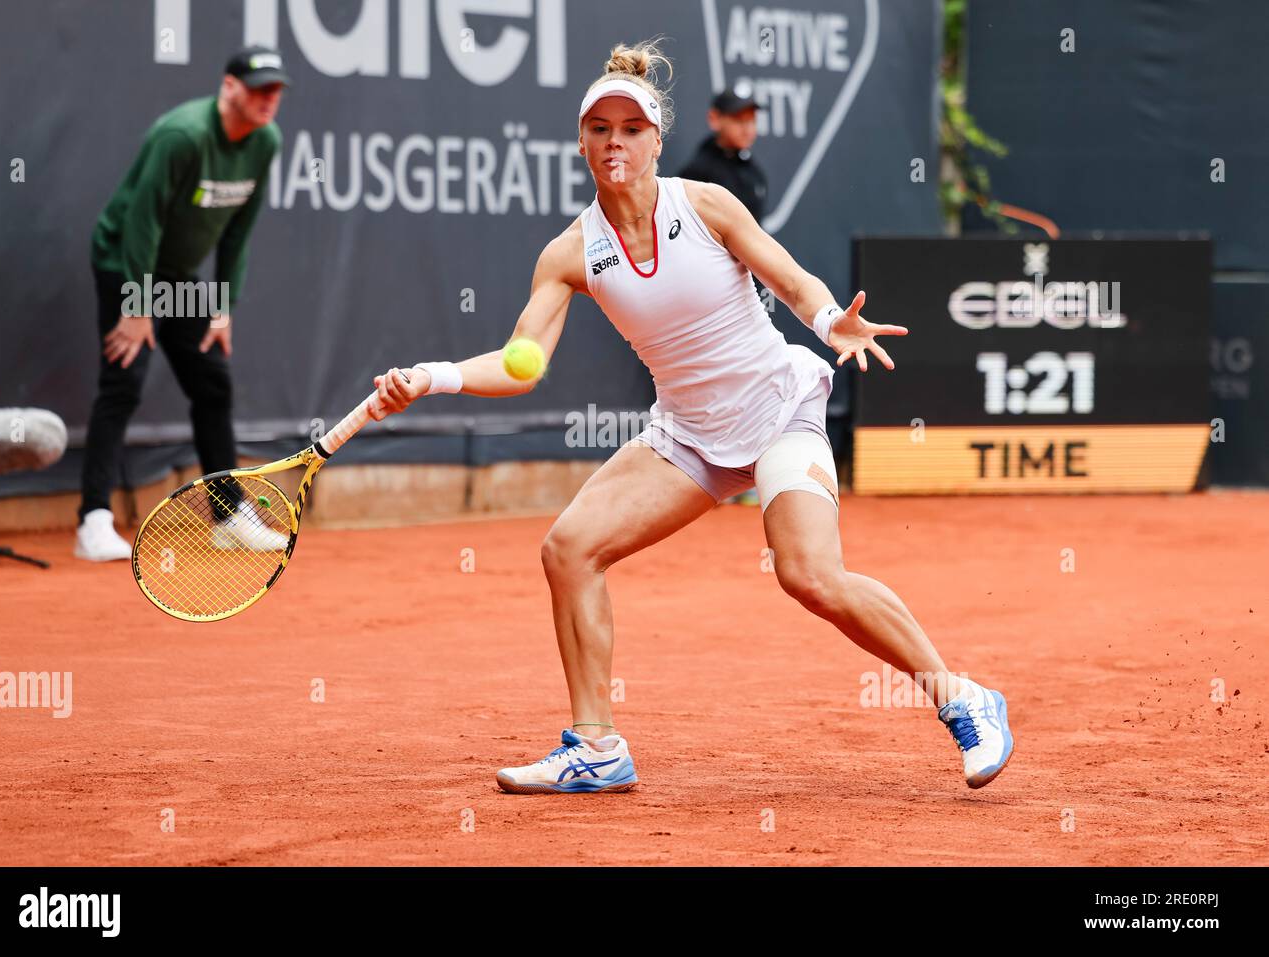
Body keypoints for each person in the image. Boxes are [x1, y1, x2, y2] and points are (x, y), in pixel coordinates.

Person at [369, 41, 1014, 792]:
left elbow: (790, 276)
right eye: (600, 129)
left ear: (656, 141)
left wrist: (833, 318)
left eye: (631, 129)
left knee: (808, 574)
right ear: (582, 140)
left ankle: (963, 697)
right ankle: (596, 744)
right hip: (688, 435)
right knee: (569, 549)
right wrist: (432, 377)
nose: (615, 142)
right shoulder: (571, 252)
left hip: (777, 413)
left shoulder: (705, 204)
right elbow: (524, 361)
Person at [75, 47, 290, 561]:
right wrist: (139, 305)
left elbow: (238, 231)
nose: (269, 99)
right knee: (124, 380)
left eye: (276, 89)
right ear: (229, 87)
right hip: (124, 261)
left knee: (212, 383)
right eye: (258, 87)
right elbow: (141, 223)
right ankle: (93, 521)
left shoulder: (266, 142)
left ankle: (227, 514)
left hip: (179, 276)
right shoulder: (183, 136)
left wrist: (222, 308)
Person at [677, 84, 767, 222]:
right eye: (738, 120)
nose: (747, 129)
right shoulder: (696, 173)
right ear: (714, 119)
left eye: (752, 120)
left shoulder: (755, 172)